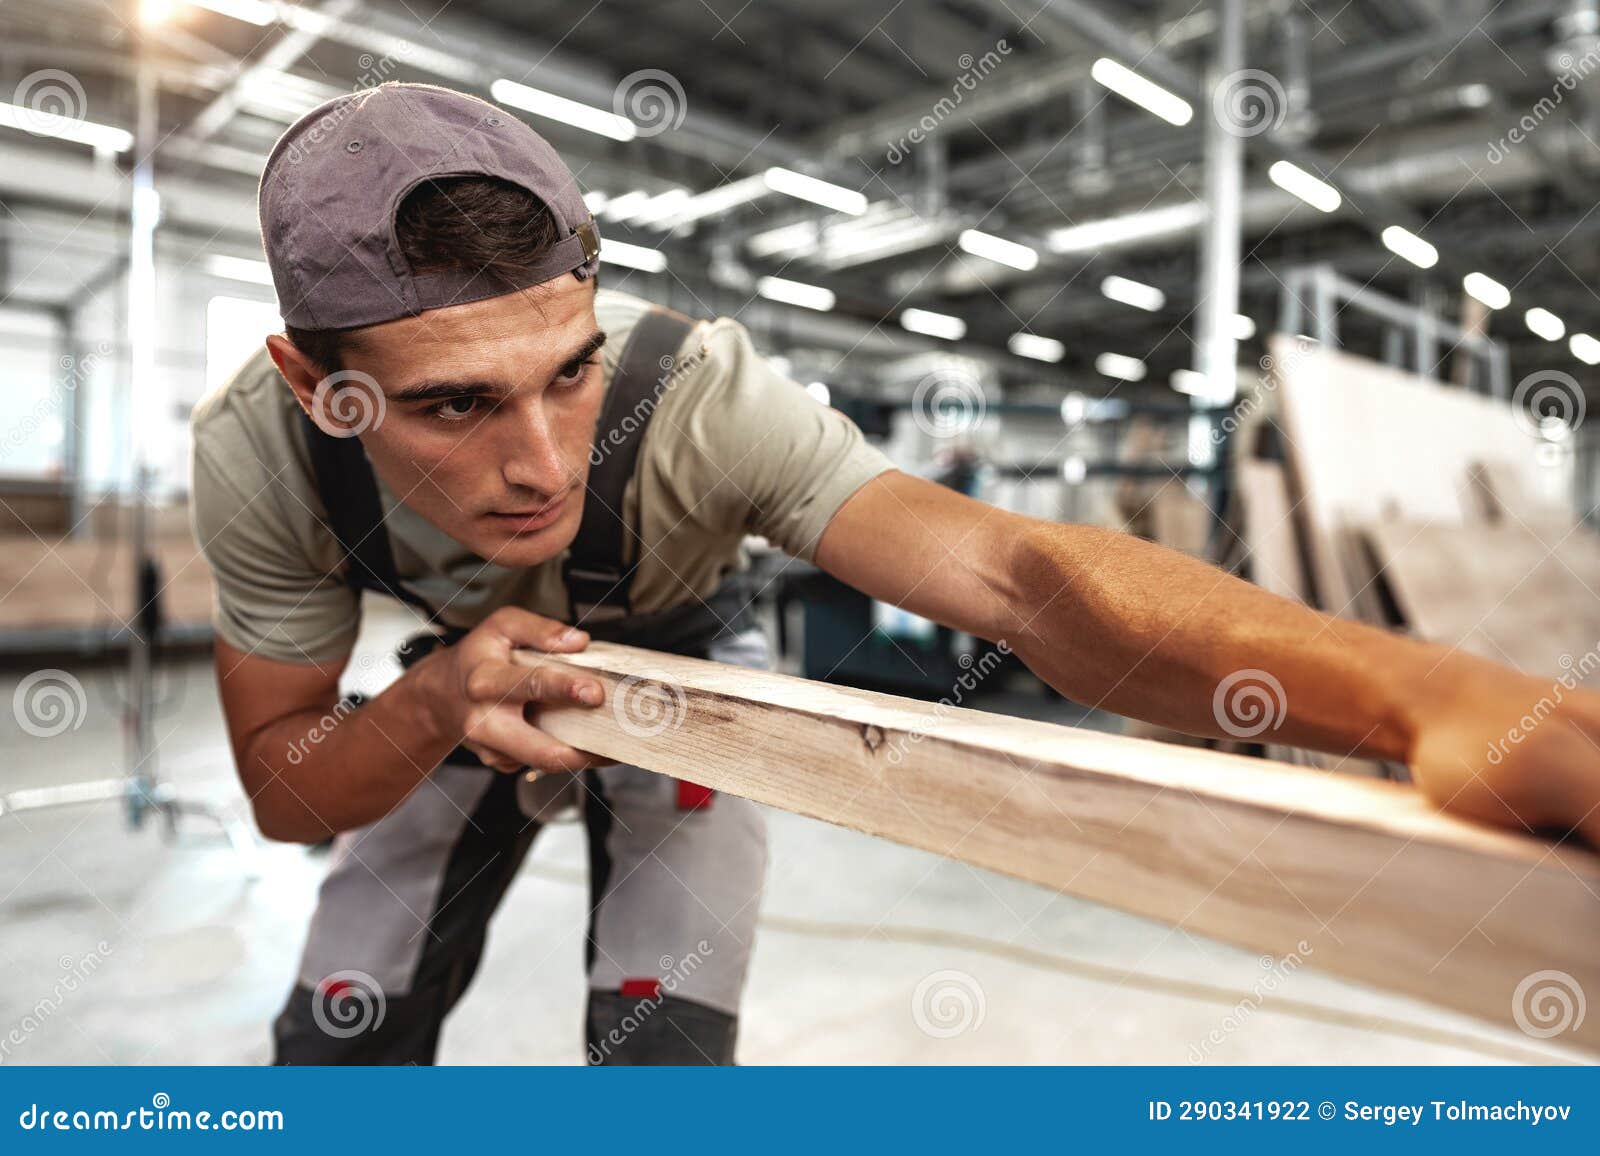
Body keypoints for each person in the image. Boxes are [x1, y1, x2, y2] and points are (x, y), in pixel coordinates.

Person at [194, 82, 1599, 1065]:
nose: (546, 462)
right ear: (317, 386)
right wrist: (438, 704)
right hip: (453, 679)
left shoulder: (696, 397)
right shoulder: (261, 459)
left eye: (570, 376)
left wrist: (1417, 693)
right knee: (337, 1036)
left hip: (681, 660)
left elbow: (1018, 578)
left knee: (663, 1055)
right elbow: (282, 786)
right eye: (454, 407)